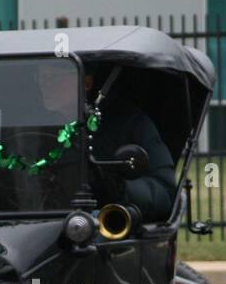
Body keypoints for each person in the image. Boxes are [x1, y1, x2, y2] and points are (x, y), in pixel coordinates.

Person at [36, 62, 177, 221]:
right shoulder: (35, 126)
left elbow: (165, 191)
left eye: (52, 76)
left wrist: (121, 188)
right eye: (41, 77)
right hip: (41, 224)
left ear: (86, 83)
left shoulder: (129, 123)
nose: (44, 84)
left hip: (102, 228)